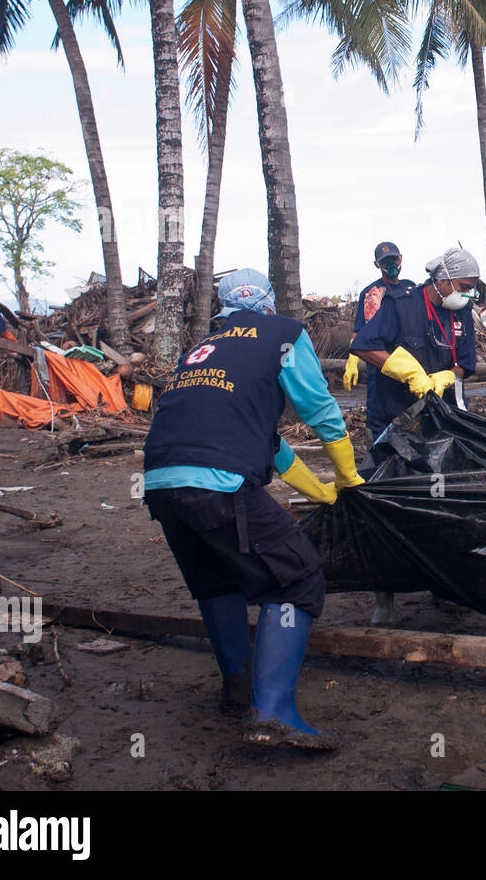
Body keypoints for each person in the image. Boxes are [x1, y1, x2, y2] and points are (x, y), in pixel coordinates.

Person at [142, 269, 364, 751]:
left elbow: (268, 444)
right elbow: (318, 407)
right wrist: (347, 475)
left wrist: (320, 490)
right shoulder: (283, 333)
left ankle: (237, 689)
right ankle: (273, 713)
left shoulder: (205, 349)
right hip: (216, 483)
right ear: (267, 302)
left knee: (218, 579)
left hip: (160, 481)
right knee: (297, 576)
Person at [350, 246, 480, 624]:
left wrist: (447, 376)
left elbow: (465, 363)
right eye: (464, 286)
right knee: (387, 500)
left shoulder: (462, 311)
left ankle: (445, 586)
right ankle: (384, 598)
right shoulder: (399, 304)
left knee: (445, 501)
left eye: (471, 289)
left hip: (441, 418)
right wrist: (402, 370)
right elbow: (364, 344)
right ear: (441, 281)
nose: (468, 294)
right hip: (393, 416)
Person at [343, 242, 417, 448]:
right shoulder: (371, 292)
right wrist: (352, 360)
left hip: (410, 361)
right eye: (385, 262)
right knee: (378, 413)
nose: (390, 264)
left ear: (400, 259)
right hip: (380, 362)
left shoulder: (412, 288)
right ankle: (377, 454)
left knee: (412, 410)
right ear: (377, 264)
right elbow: (360, 331)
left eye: (393, 259)